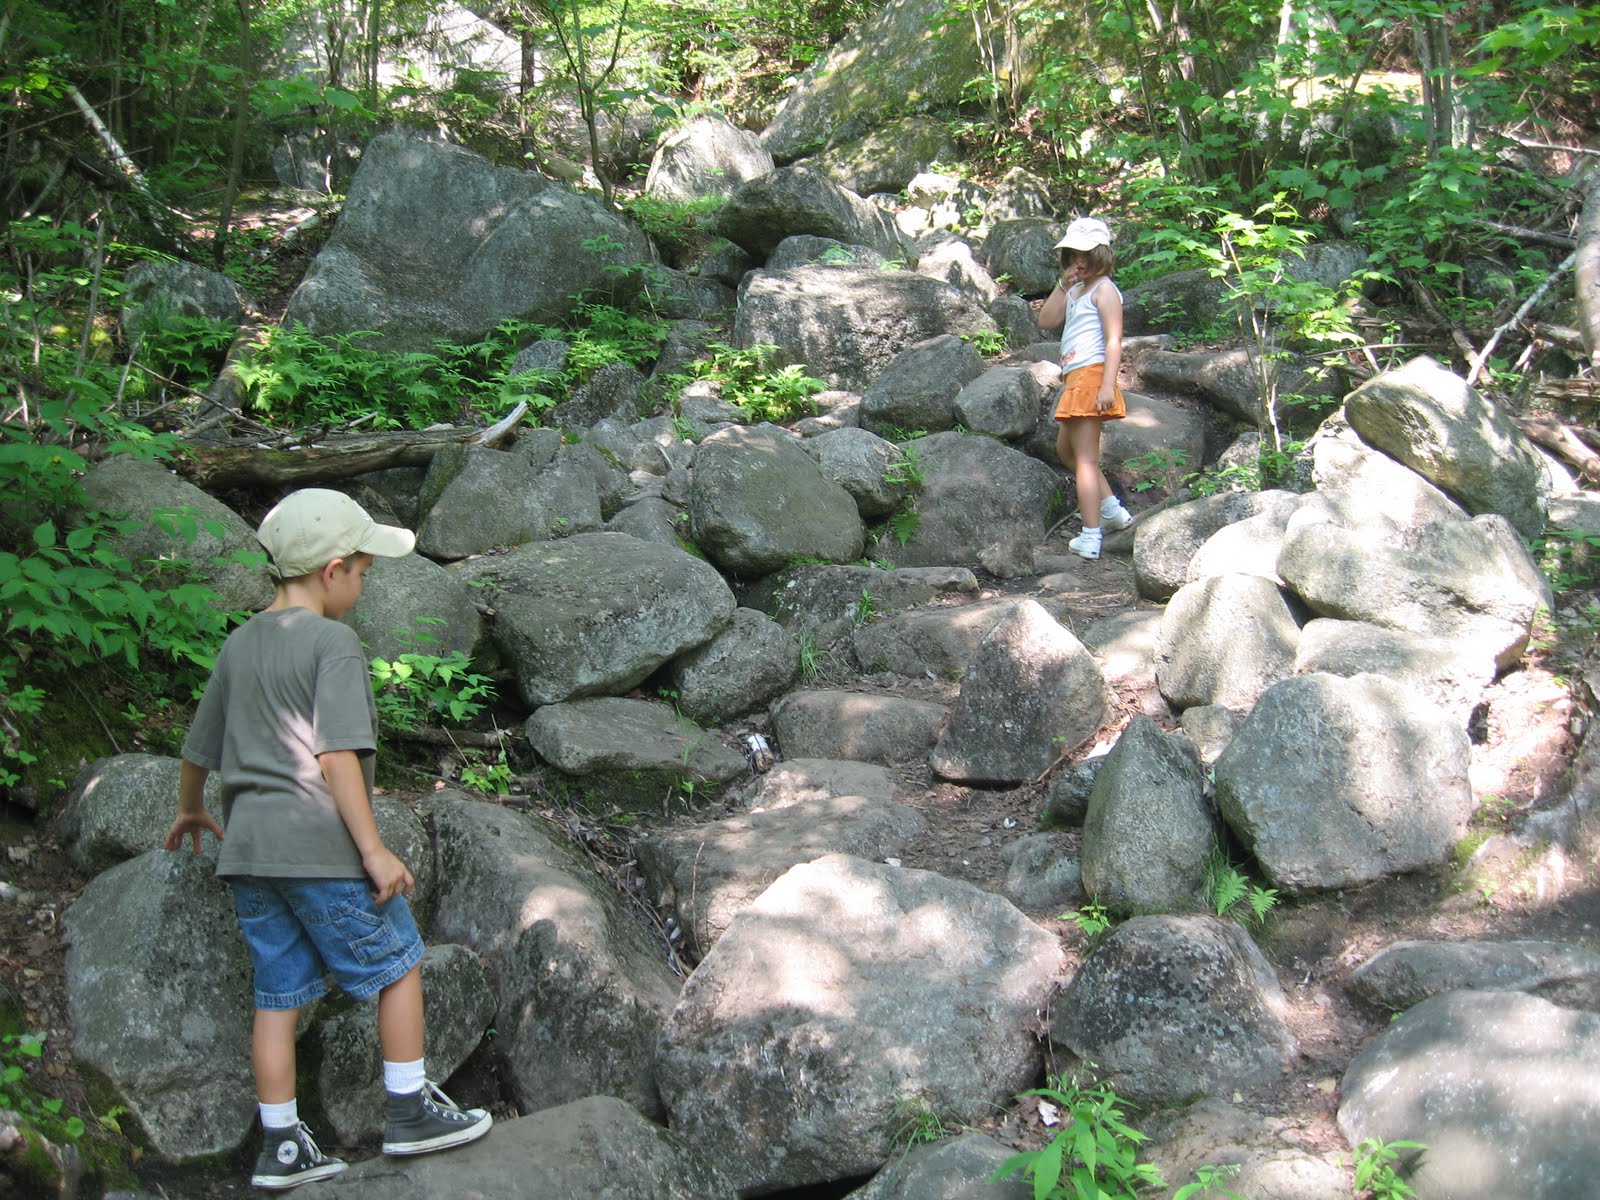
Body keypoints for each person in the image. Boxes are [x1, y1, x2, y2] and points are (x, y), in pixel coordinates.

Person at [163, 488, 492, 1191]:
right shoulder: (333, 643)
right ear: (332, 570)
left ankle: (282, 1146)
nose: (366, 586)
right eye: (365, 572)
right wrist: (373, 850)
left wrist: (192, 810)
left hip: (250, 854)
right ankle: (408, 1109)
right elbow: (335, 755)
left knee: (277, 996)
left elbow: (200, 748)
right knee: (399, 962)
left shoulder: (240, 642)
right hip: (320, 848)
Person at [1038, 216, 1132, 560]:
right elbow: (1046, 320)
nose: (1079, 261)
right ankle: (1112, 511)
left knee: (1087, 461)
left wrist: (1108, 384)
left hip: (1092, 377)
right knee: (1069, 453)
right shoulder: (1076, 289)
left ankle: (1091, 536)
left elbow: (1114, 340)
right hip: (1074, 379)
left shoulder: (1105, 289)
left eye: (1086, 254)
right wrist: (1062, 285)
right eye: (1073, 254)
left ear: (1101, 254)